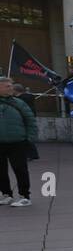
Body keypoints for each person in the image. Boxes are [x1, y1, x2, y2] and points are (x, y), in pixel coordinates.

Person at [0, 77, 36, 207]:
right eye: (7, 86)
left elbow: (30, 120)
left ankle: (24, 196)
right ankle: (6, 195)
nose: (11, 88)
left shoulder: (19, 103)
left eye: (11, 86)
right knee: (1, 171)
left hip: (18, 142)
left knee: (20, 169)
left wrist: (29, 138)